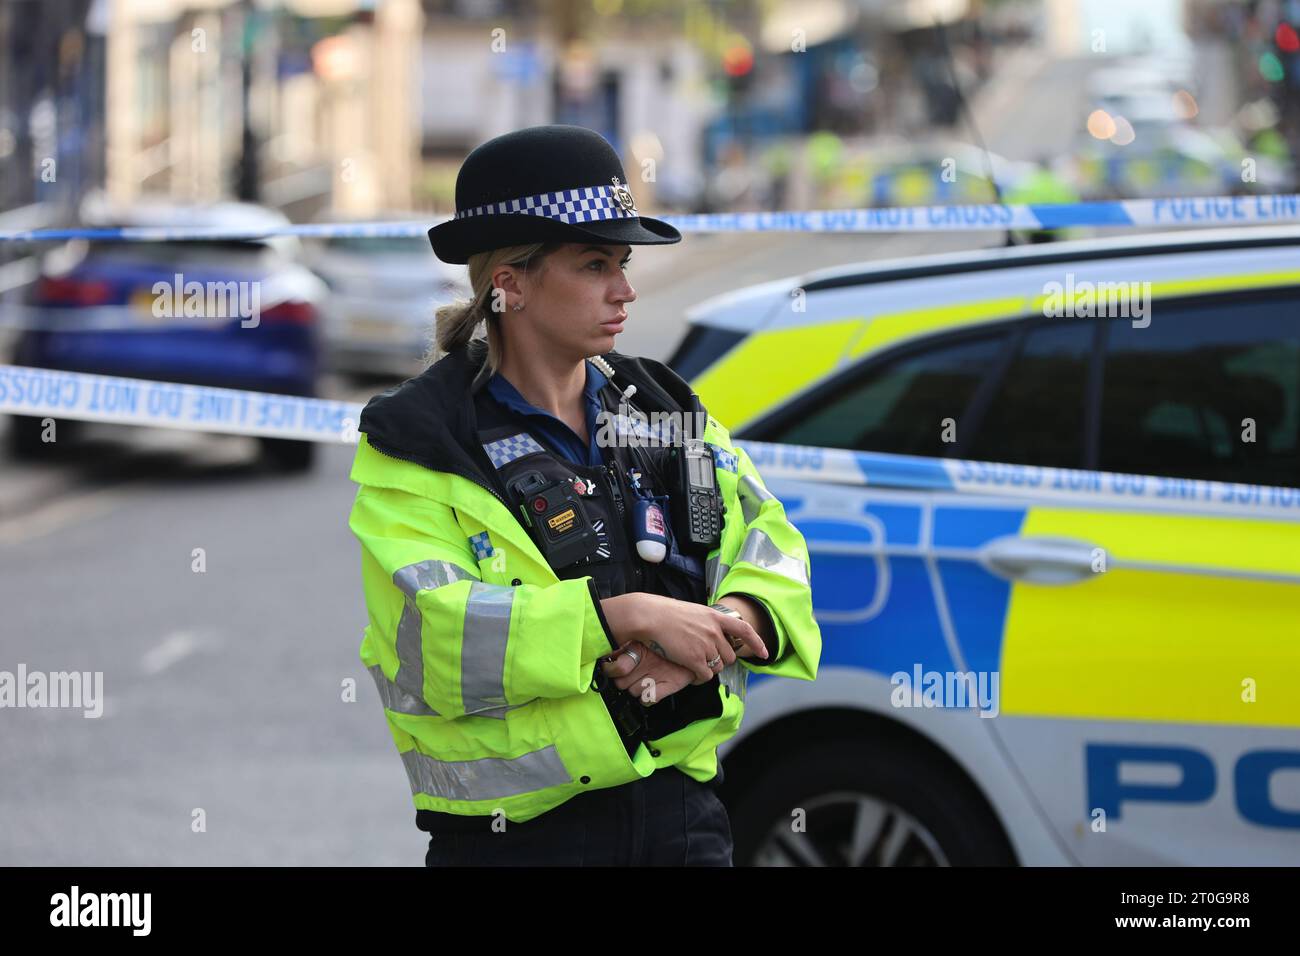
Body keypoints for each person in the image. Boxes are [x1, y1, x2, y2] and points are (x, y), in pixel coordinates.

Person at [347, 124, 820, 866]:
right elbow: (435, 641)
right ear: (510, 283)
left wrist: (726, 620)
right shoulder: (420, 440)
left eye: (624, 262)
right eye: (596, 263)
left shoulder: (663, 406)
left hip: (683, 825)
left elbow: (773, 548)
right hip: (516, 843)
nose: (625, 289)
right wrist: (624, 619)